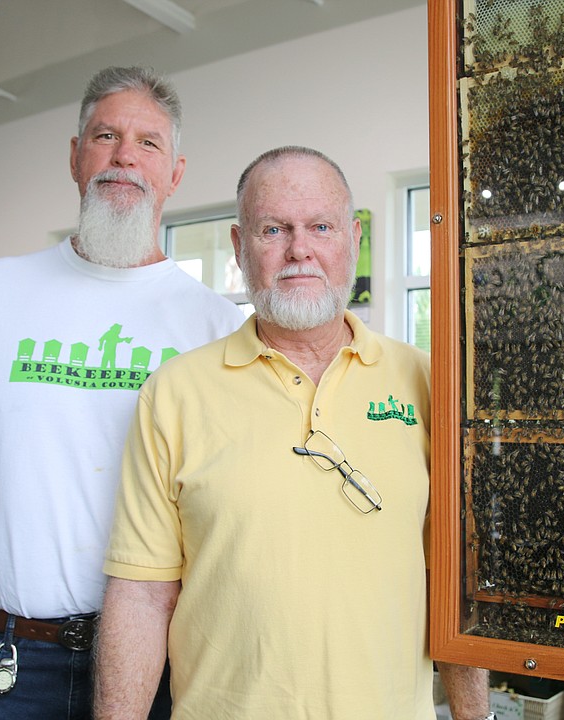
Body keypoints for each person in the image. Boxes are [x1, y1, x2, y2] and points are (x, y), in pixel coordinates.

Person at [0, 66, 246, 720]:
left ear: (175, 173)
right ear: (75, 155)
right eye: (105, 135)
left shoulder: (216, 326)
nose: (124, 156)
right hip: (0, 659)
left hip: (158, 664)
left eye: (148, 143)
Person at [95, 146, 493, 719]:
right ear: (239, 247)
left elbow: (453, 579)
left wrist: (474, 717)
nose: (299, 249)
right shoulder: (174, 394)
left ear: (352, 239)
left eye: (320, 226)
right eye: (273, 229)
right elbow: (140, 594)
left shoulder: (426, 380)